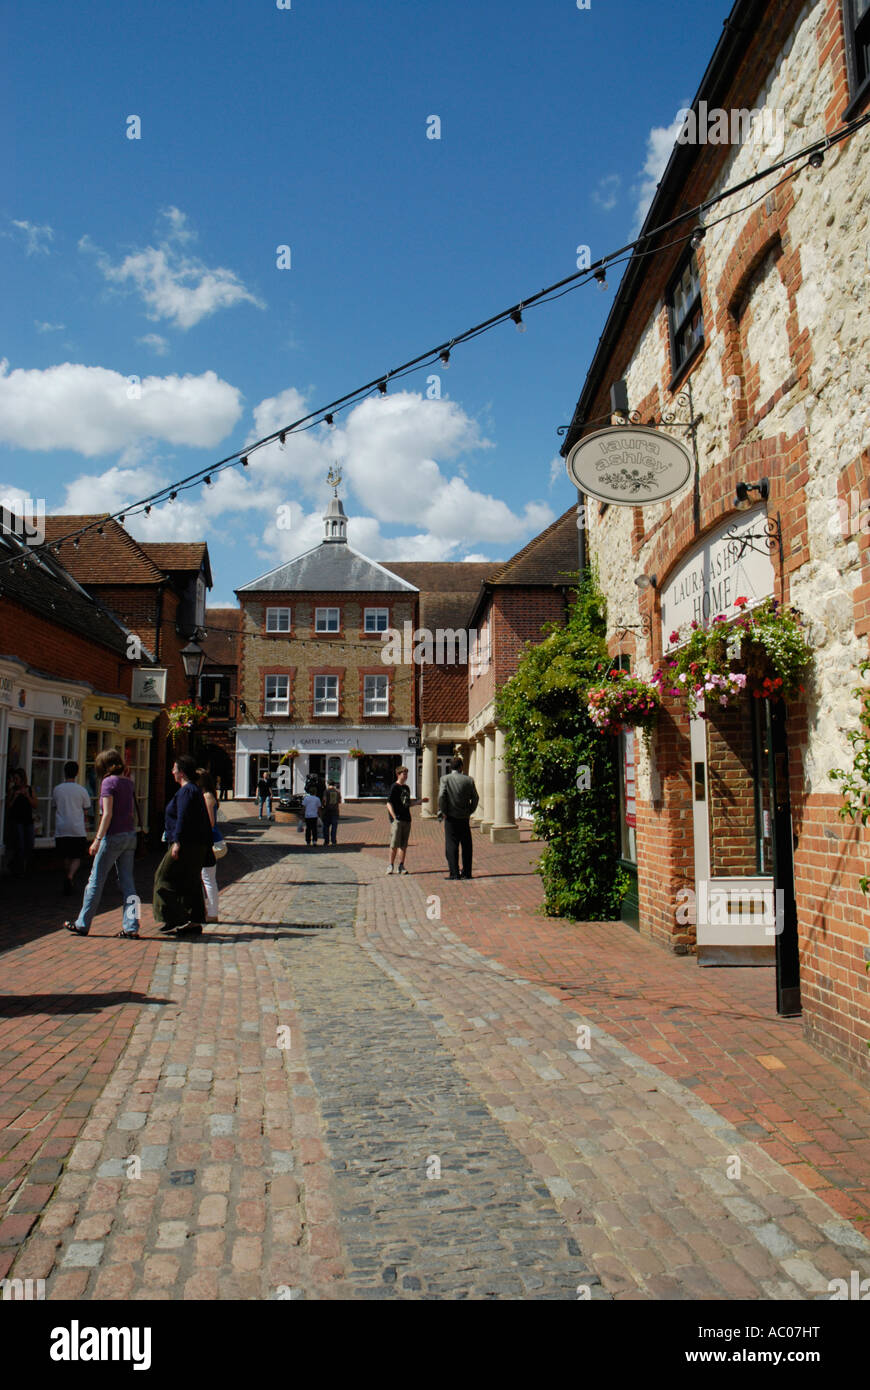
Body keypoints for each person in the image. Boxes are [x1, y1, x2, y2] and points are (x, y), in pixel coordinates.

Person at [63, 749, 140, 937]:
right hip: (130, 835)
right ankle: (132, 926)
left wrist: (97, 840)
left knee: (95, 881)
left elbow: (107, 814)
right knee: (129, 884)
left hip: (113, 836)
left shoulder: (108, 782)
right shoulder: (128, 783)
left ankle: (83, 923)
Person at [153, 755, 215, 936]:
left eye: (174, 769)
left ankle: (173, 917)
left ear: (181, 772)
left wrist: (177, 842)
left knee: (163, 877)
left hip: (187, 843)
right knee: (192, 881)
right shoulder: (194, 790)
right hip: (196, 844)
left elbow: (183, 817)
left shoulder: (187, 791)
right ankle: (194, 922)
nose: (171, 771)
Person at [53, 760, 92, 895]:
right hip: (77, 828)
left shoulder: (57, 789)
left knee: (66, 855)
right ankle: (70, 875)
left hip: (61, 828)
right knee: (77, 856)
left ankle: (67, 875)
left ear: (65, 772)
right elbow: (86, 810)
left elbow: (55, 806)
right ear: (77, 773)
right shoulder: (82, 790)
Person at [438, 755, 479, 881]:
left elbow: (441, 796)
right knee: (466, 845)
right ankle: (467, 872)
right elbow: (476, 798)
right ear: (461, 767)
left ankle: (454, 873)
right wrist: (470, 811)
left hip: (450, 817)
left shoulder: (445, 779)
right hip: (464, 817)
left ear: (451, 767)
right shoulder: (468, 780)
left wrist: (444, 811)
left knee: (451, 845)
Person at [197, 769, 220, 923]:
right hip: (209, 839)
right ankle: (208, 911)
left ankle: (212, 913)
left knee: (208, 877)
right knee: (207, 877)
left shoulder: (207, 797)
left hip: (208, 840)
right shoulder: (208, 795)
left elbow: (210, 822)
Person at [6, 769, 38, 876]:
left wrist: (27, 796)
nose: (15, 781)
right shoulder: (12, 790)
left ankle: (27, 867)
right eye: (14, 779)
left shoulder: (29, 789)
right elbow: (8, 806)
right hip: (17, 820)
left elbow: (35, 805)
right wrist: (15, 796)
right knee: (20, 844)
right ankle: (18, 868)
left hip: (27, 820)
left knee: (29, 844)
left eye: (17, 779)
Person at [385, 765, 411, 875]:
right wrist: (394, 817)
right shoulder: (394, 787)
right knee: (394, 843)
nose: (405, 776)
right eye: (404, 774)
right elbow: (388, 803)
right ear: (398, 775)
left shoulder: (406, 788)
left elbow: (407, 804)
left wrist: (419, 802)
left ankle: (401, 865)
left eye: (406, 774)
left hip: (407, 818)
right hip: (398, 819)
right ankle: (390, 865)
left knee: (403, 844)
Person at [320, 779, 341, 847]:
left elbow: (324, 800)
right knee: (334, 827)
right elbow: (339, 801)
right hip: (335, 811)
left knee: (326, 827)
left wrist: (323, 806)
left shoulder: (326, 791)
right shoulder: (337, 792)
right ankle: (333, 841)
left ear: (328, 784)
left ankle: (326, 841)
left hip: (327, 811)